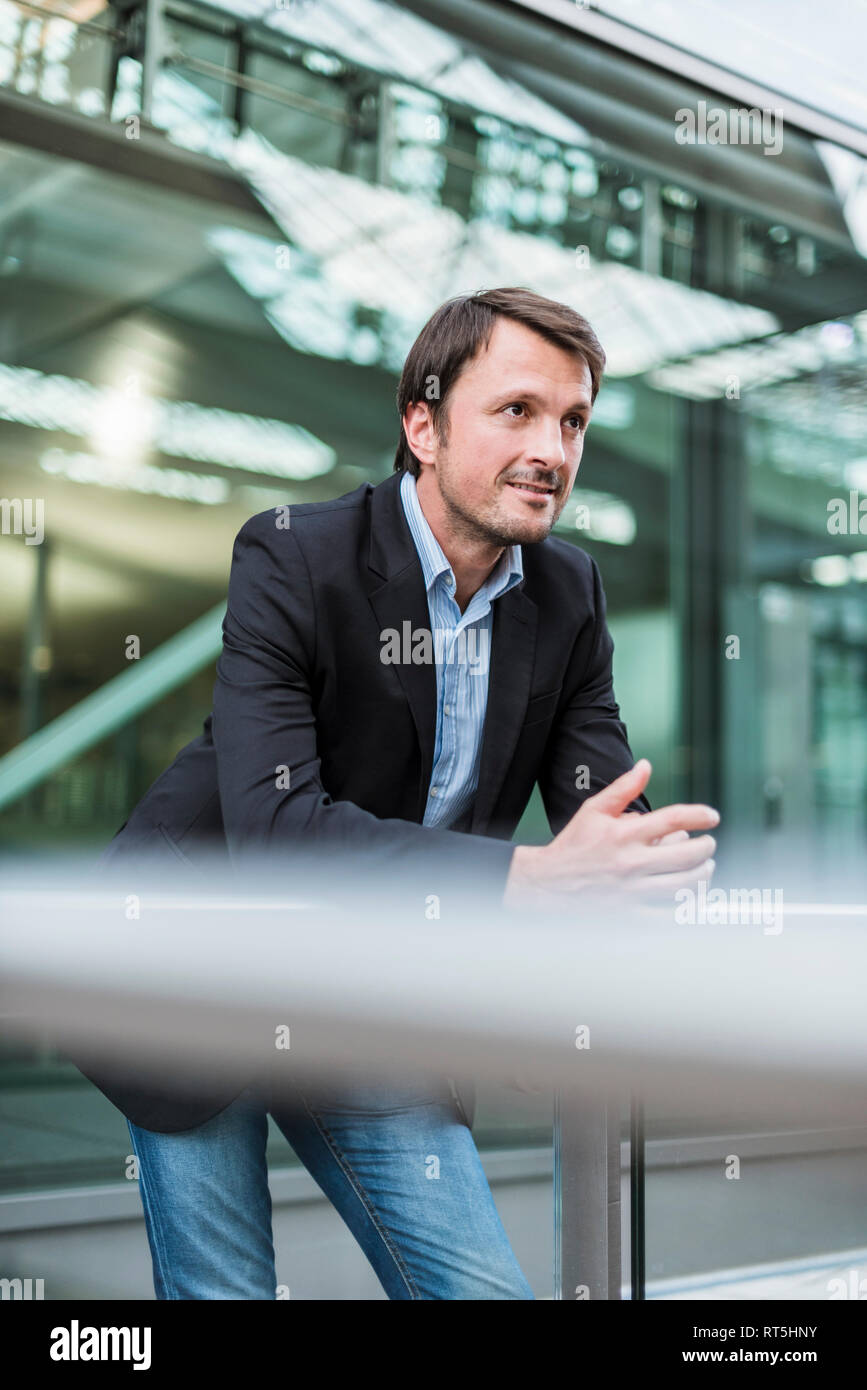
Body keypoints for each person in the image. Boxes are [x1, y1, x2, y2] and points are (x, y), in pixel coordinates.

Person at [75, 286, 719, 1299]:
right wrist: (529, 882)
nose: (554, 448)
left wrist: (639, 869)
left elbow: (597, 800)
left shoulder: (567, 593)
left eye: (574, 420)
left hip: (362, 989)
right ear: (423, 424)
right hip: (190, 969)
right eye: (517, 410)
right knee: (226, 1294)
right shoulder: (294, 553)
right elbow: (279, 831)